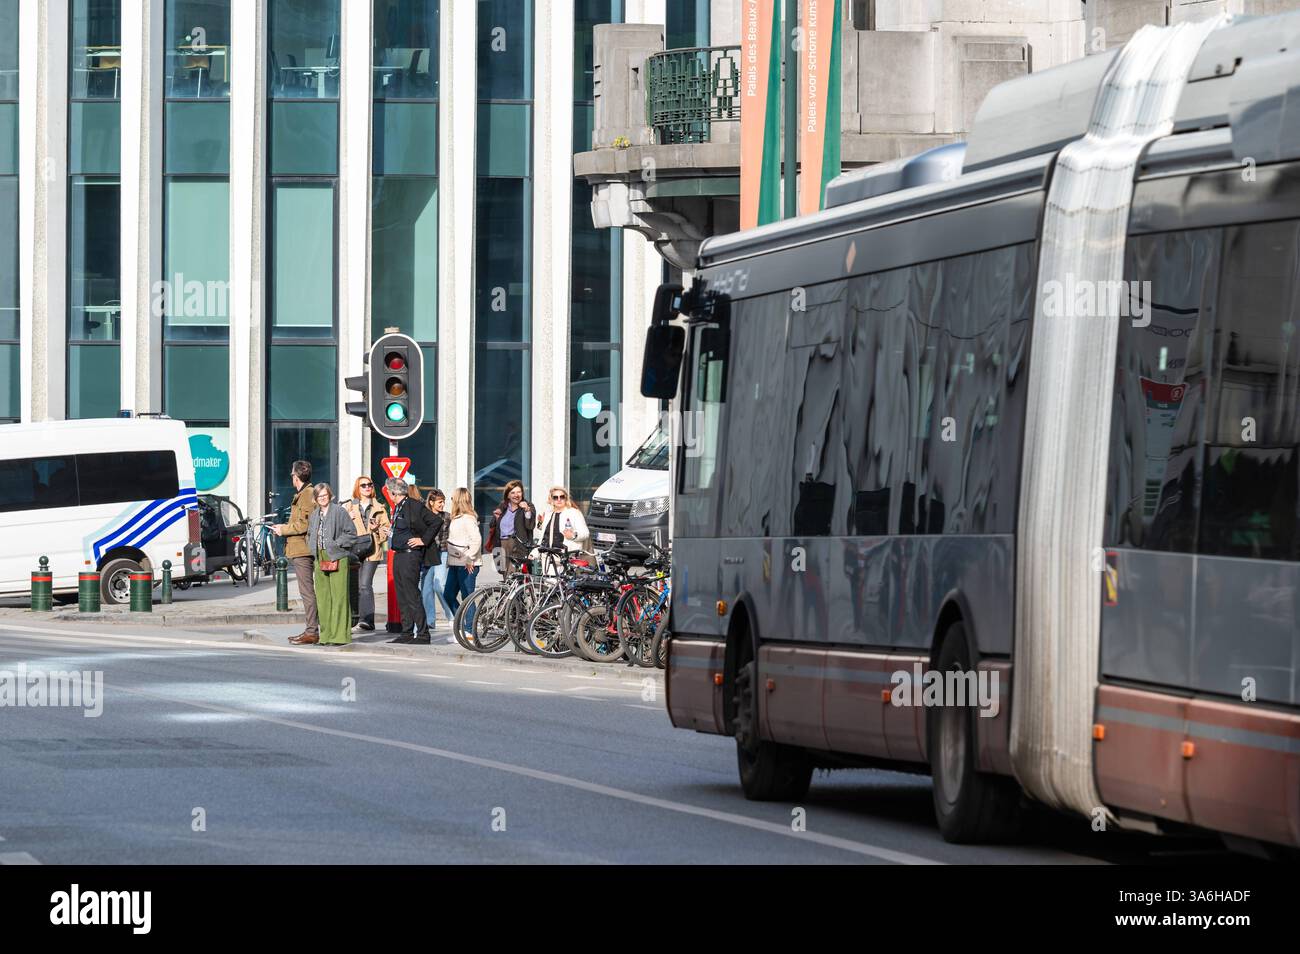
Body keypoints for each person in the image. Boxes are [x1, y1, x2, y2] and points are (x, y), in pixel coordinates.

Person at [305, 483, 358, 646]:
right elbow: (309, 534)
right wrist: (311, 548)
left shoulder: (339, 511)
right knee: (323, 597)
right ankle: (326, 635)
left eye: (325, 495)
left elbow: (351, 533)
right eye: (319, 496)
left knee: (339, 596)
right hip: (319, 557)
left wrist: (336, 545)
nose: (322, 498)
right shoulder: (314, 515)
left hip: (337, 556)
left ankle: (340, 636)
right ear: (315, 499)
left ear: (330, 495)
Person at [273, 460, 319, 646]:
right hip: (300, 548)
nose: (291, 477)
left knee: (307, 592)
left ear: (296, 476)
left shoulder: (307, 494)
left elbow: (304, 524)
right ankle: (312, 629)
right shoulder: (304, 493)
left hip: (303, 549)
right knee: (308, 591)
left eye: (292, 474)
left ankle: (312, 631)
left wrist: (283, 529)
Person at [387, 476, 436, 644]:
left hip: (410, 555)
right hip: (399, 554)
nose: (388, 494)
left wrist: (423, 540)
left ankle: (423, 634)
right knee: (402, 595)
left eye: (388, 491)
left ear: (394, 493)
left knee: (412, 594)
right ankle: (406, 632)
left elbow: (436, 521)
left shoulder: (413, 505)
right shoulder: (398, 507)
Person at [344, 475, 390, 631]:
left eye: (370, 484)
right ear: (358, 488)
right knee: (355, 586)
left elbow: (387, 531)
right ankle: (355, 619)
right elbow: (340, 528)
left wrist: (377, 529)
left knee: (365, 585)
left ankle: (367, 621)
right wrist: (347, 518)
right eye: (363, 485)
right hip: (354, 549)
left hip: (372, 550)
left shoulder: (379, 508)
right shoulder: (349, 506)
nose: (367, 487)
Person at [443, 487, 482, 619]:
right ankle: (461, 624)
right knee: (448, 595)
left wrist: (470, 558)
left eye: (453, 498)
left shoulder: (468, 518)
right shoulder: (457, 517)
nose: (451, 501)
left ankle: (469, 630)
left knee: (467, 598)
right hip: (455, 563)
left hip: (466, 564)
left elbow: (476, 539)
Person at [420, 489, 454, 630]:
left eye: (443, 501)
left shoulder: (447, 517)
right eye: (440, 502)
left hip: (442, 553)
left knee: (439, 586)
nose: (442, 504)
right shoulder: (424, 516)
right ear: (431, 502)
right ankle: (430, 620)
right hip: (427, 554)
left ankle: (451, 616)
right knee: (426, 588)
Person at [488, 480, 536, 576]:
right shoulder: (503, 506)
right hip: (501, 543)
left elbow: (530, 525)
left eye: (519, 492)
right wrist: (496, 517)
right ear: (508, 495)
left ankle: (514, 590)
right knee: (503, 571)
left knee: (513, 573)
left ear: (522, 493)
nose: (516, 495)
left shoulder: (528, 506)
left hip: (517, 544)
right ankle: (510, 590)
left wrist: (527, 510)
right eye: (513, 492)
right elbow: (492, 525)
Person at [535, 485, 591, 558]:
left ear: (566, 498)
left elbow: (585, 533)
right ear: (551, 500)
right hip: (547, 556)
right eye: (555, 497)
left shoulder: (574, 513)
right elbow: (546, 533)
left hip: (566, 557)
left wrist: (573, 535)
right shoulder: (548, 514)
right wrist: (541, 523)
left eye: (562, 497)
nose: (559, 499)